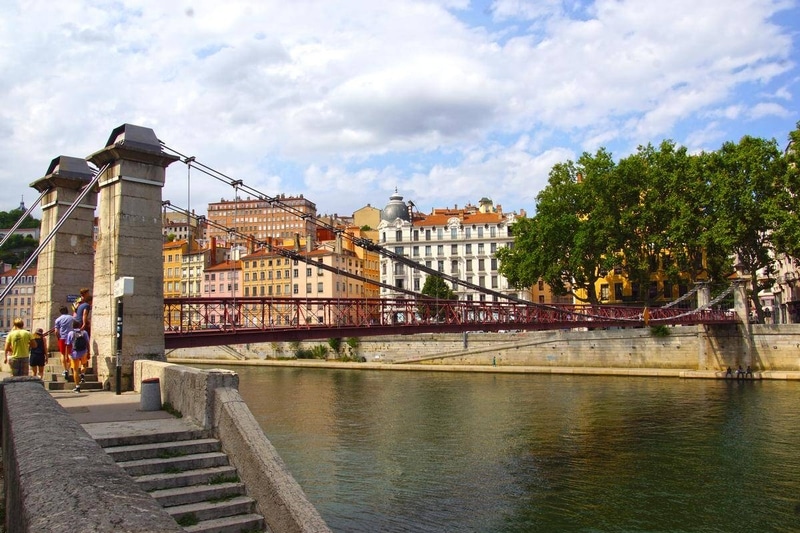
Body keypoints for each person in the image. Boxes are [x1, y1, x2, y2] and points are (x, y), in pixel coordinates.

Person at [66, 321, 89, 393]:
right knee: (84, 364)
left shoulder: (71, 333)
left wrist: (67, 355)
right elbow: (87, 342)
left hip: (74, 353)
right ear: (79, 325)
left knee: (75, 370)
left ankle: (77, 386)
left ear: (72, 326)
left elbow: (68, 345)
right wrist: (88, 352)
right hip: (83, 352)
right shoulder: (84, 332)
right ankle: (82, 374)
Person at [54, 306, 74, 380]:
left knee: (62, 354)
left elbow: (56, 331)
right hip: (71, 337)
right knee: (70, 354)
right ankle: (68, 369)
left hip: (62, 337)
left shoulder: (58, 319)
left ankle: (65, 369)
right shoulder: (72, 318)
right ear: (67, 310)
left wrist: (58, 337)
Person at [75, 294, 92, 377]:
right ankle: (83, 365)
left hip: (77, 324)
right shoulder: (87, 305)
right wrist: (85, 323)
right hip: (81, 324)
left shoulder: (81, 305)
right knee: (85, 339)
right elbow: (85, 314)